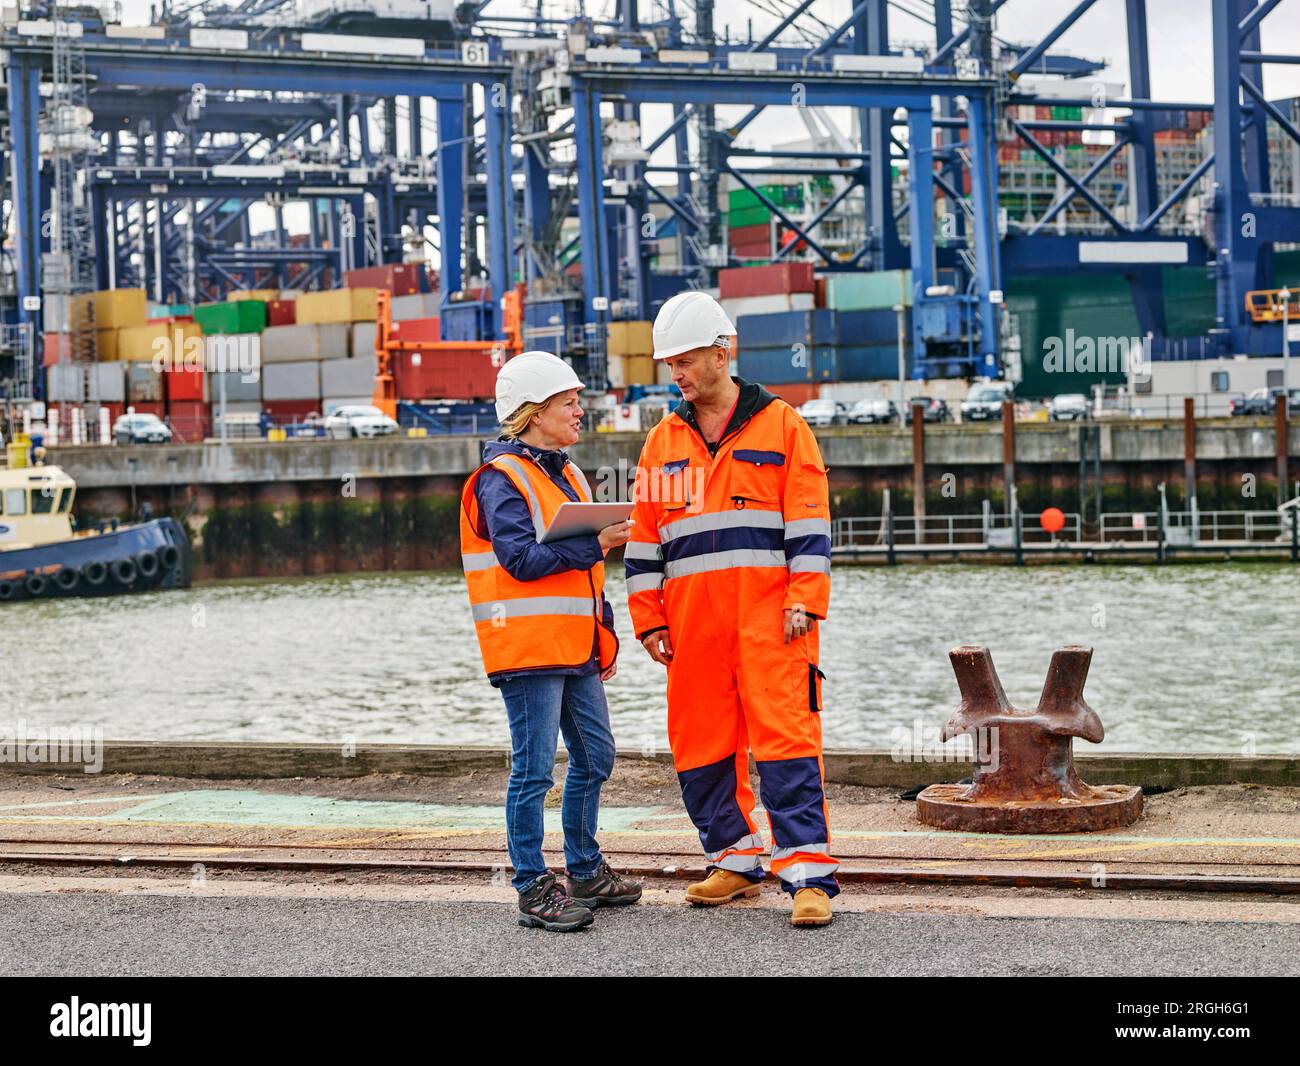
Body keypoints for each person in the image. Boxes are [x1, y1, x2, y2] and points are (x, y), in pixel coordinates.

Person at [625, 292, 839, 927]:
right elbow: (644, 540)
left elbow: (810, 526)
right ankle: (735, 858)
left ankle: (806, 874)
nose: (677, 375)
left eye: (686, 360)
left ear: (724, 354)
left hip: (773, 622)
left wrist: (805, 601)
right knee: (699, 746)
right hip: (692, 630)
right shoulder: (662, 442)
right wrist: (650, 620)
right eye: (669, 365)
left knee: (785, 742)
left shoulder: (783, 426)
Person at [460, 351, 642, 932]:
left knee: (596, 756)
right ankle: (533, 884)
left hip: (573, 647)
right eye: (569, 403)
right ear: (534, 413)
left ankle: (584, 869)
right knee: (534, 770)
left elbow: (584, 574)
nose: (580, 411)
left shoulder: (565, 472)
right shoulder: (500, 480)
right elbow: (518, 560)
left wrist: (602, 630)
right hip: (528, 649)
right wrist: (596, 545)